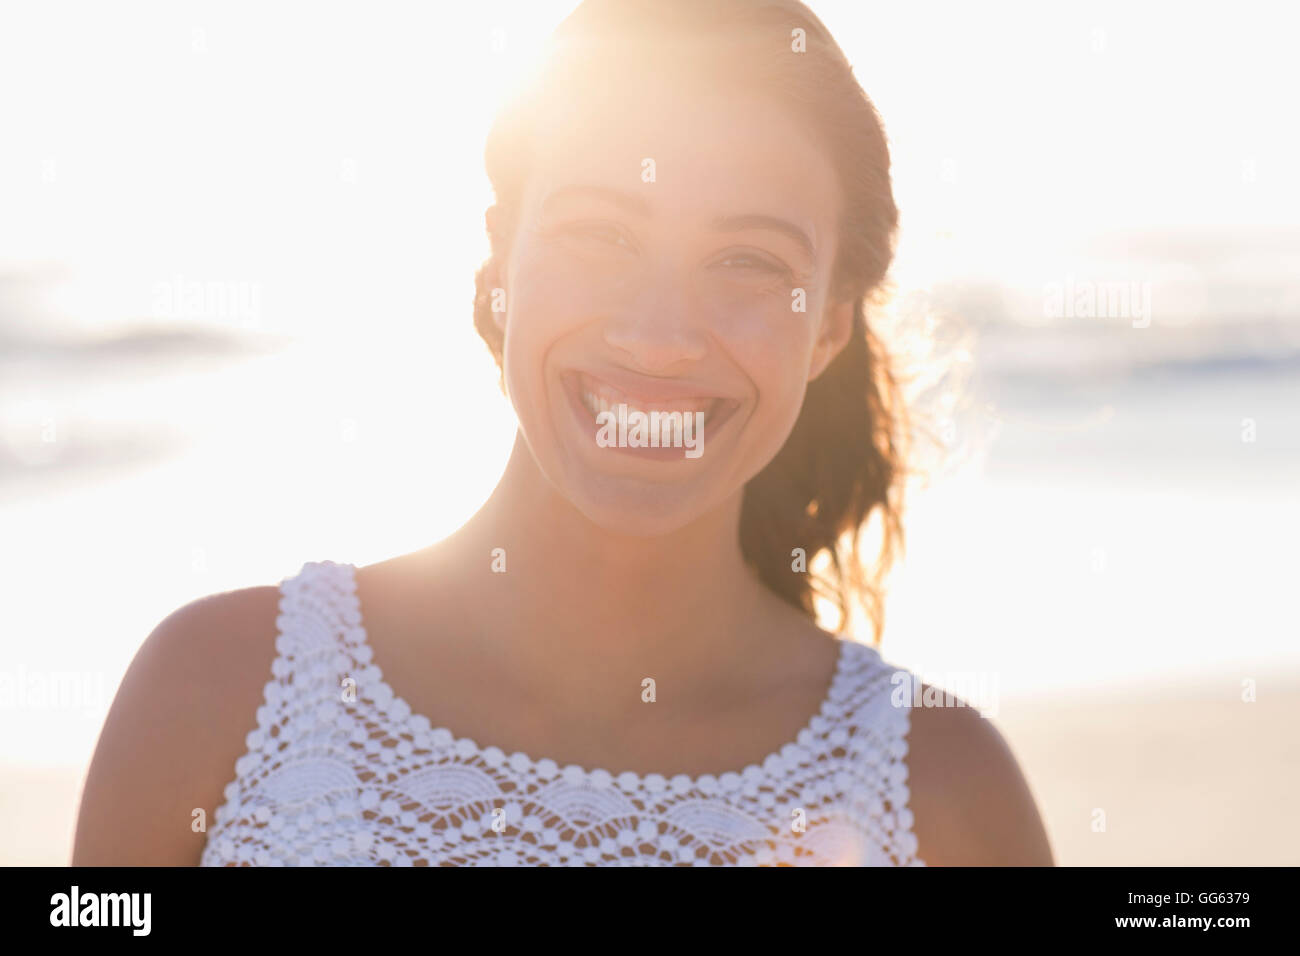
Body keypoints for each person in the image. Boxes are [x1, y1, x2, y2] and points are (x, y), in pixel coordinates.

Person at [73, 0, 1052, 866]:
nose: (658, 337)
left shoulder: (942, 797)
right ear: (501, 261)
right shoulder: (219, 691)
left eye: (748, 259)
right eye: (601, 233)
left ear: (828, 325)